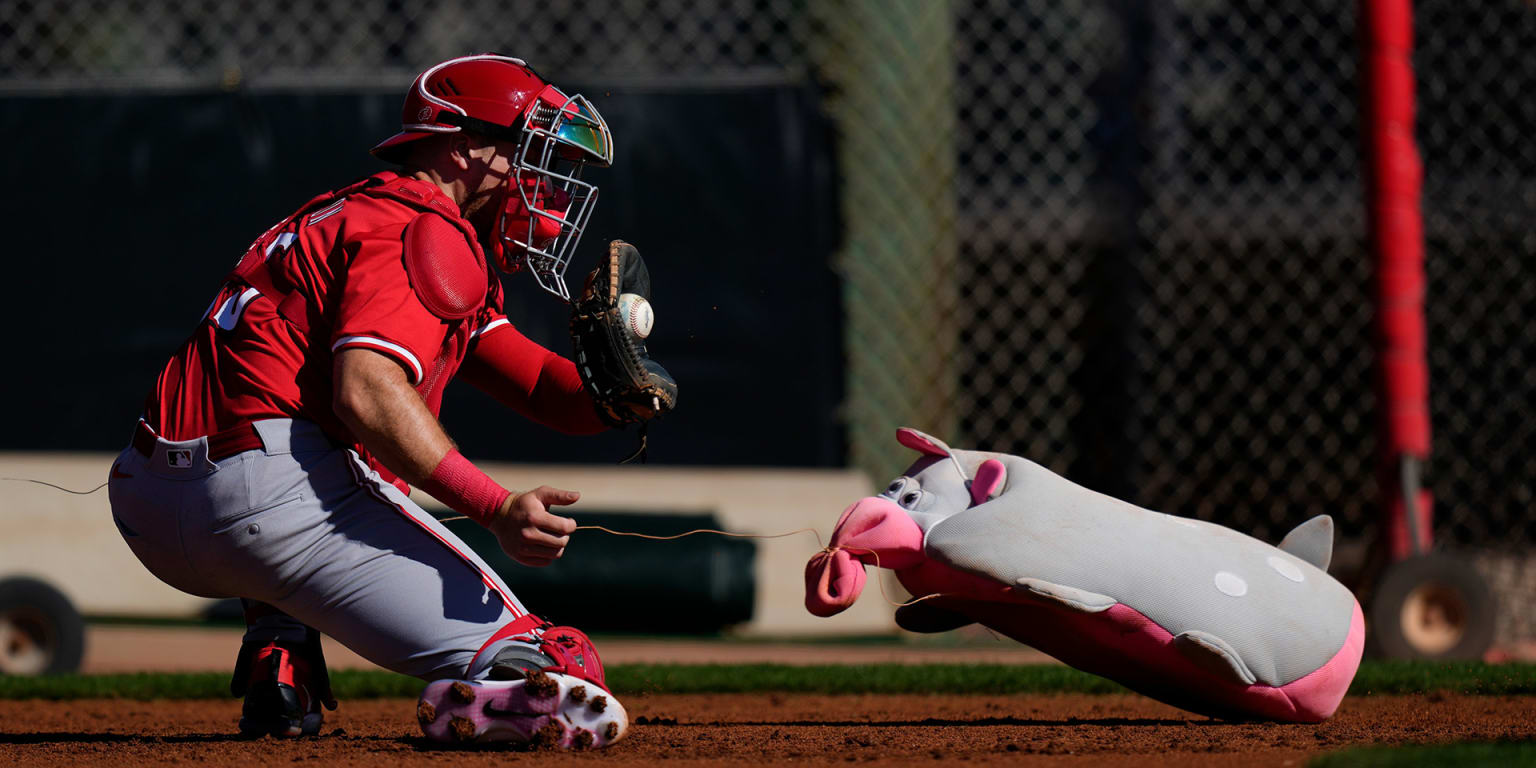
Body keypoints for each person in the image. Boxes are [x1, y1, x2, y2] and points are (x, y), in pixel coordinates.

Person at [106, 53, 670, 750]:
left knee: (340, 459)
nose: (547, 186)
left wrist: (614, 397)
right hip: (267, 500)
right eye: (531, 153)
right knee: (558, 671)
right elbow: (368, 393)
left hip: (148, 501)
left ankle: (280, 657)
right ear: (465, 149)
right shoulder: (428, 230)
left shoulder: (358, 213)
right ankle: (470, 692)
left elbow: (535, 386)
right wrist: (495, 507)